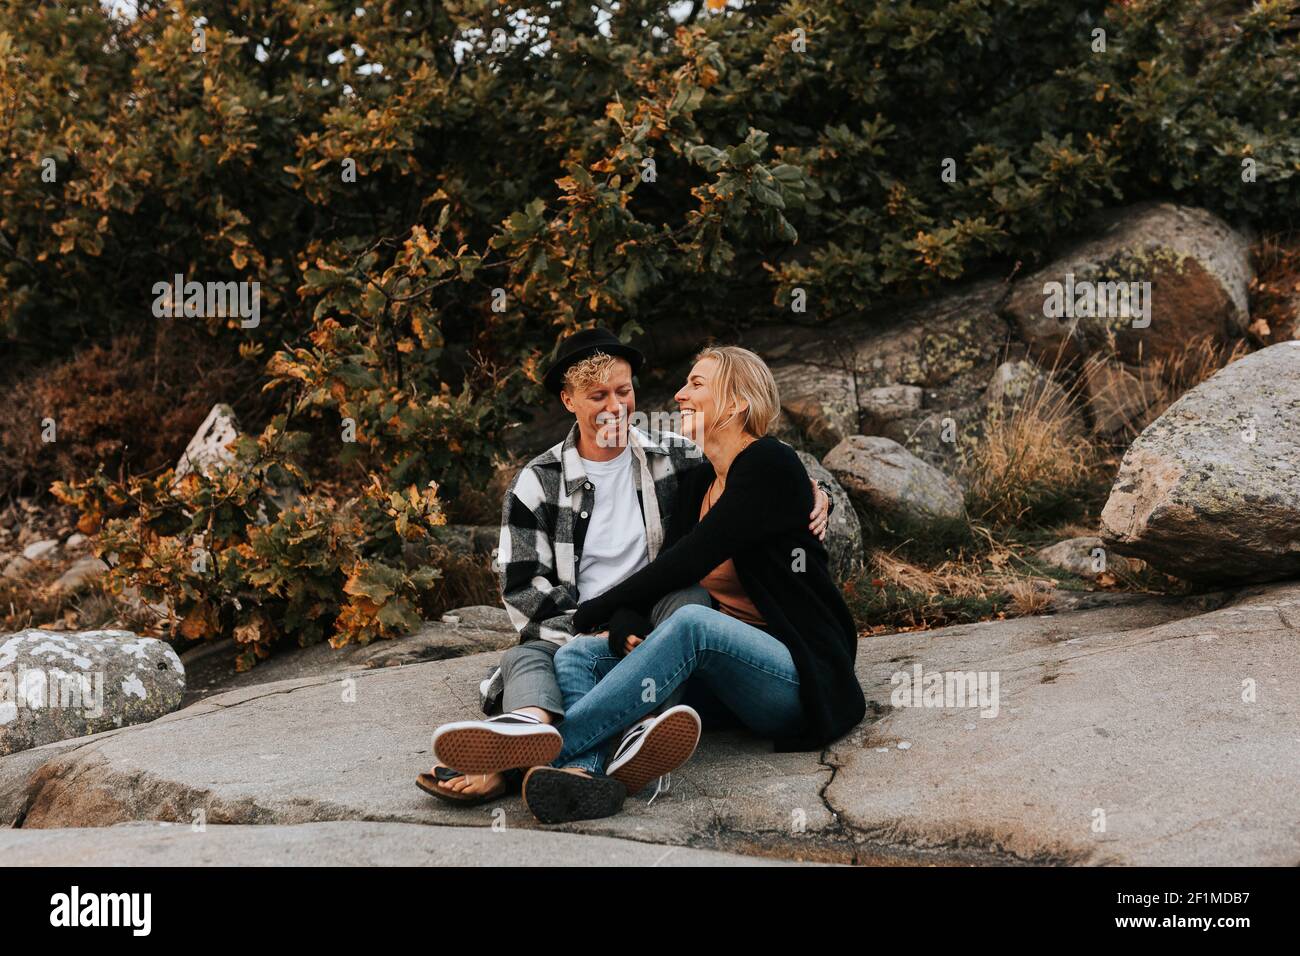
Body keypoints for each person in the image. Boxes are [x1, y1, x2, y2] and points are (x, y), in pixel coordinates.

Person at [417, 330, 833, 804]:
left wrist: (822, 494)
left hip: (698, 636)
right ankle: (583, 775)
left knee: (690, 611)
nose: (615, 407)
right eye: (597, 396)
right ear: (568, 400)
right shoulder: (547, 482)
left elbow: (754, 482)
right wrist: (594, 626)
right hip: (588, 632)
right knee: (541, 657)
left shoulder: (673, 459)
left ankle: (521, 762)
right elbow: (523, 593)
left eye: (624, 391)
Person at [519, 345, 867, 824]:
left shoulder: (768, 464)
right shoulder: (699, 481)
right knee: (578, 654)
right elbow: (667, 569)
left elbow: (694, 557)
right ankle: (582, 776)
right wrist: (621, 620)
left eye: (697, 384)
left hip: (795, 678)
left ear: (736, 403)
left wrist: (590, 611)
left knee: (692, 623)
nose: (680, 394)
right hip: (727, 683)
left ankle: (545, 752)